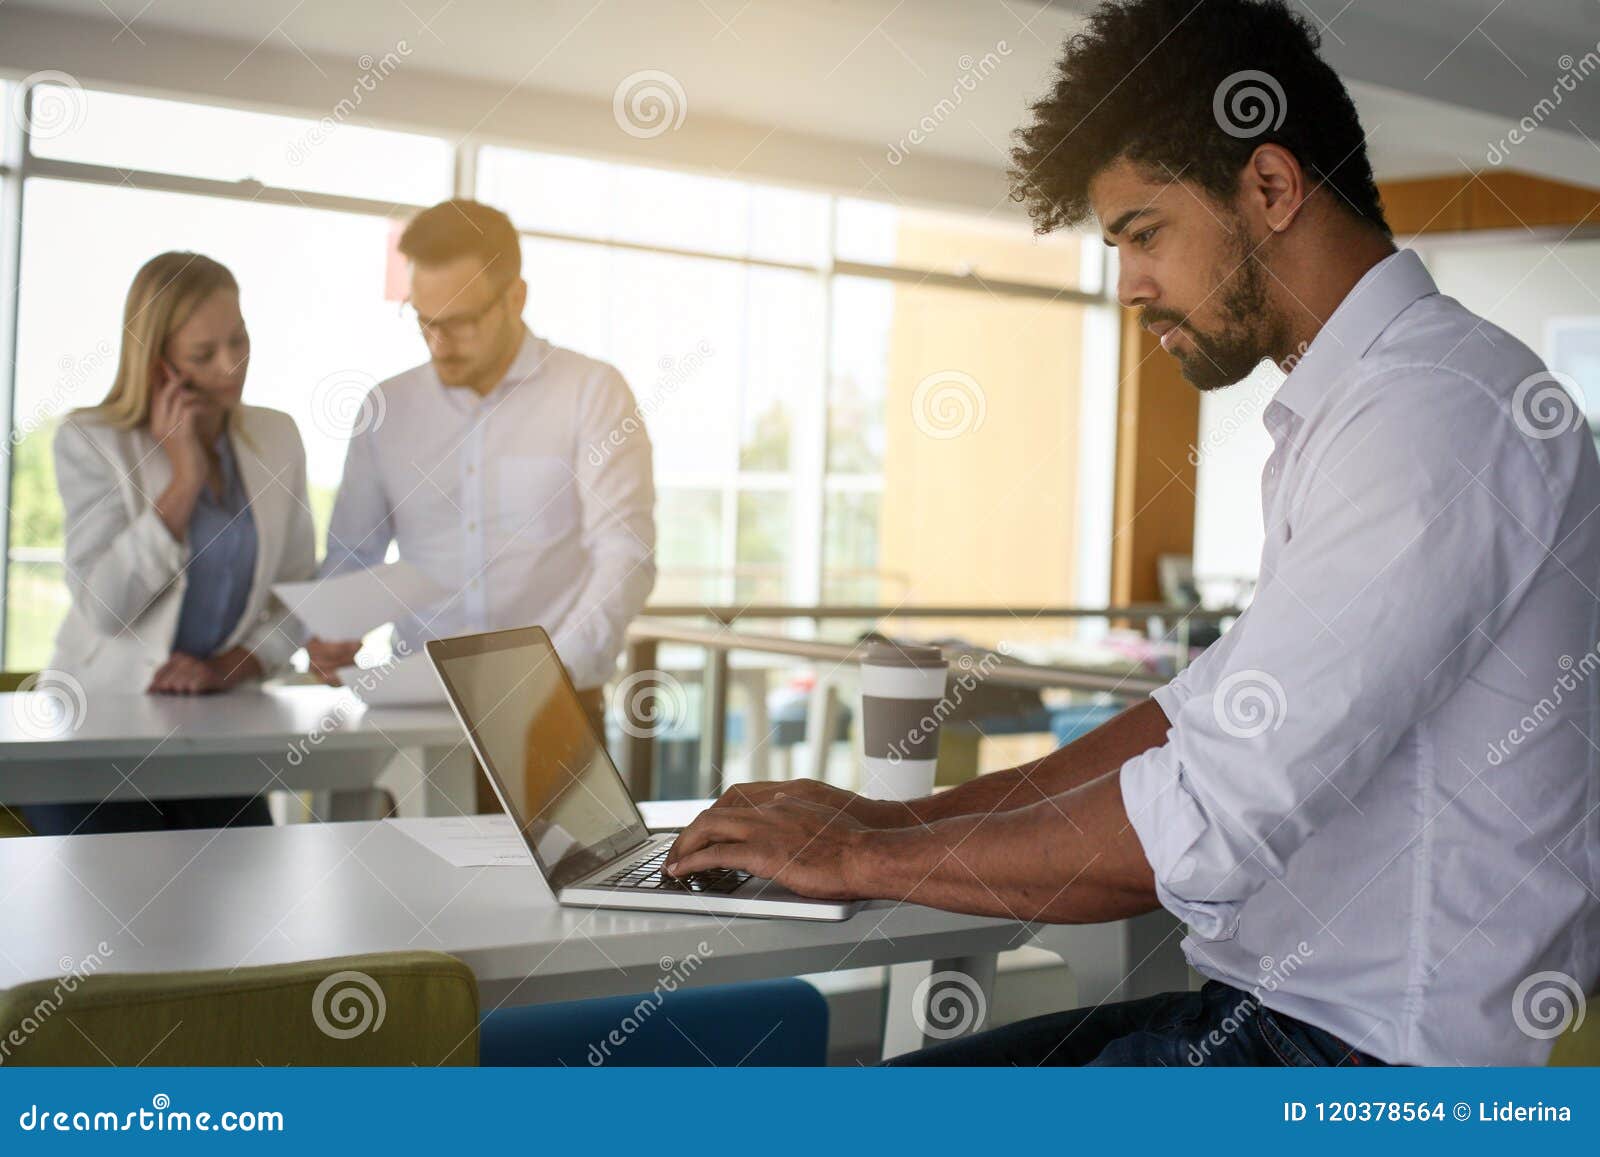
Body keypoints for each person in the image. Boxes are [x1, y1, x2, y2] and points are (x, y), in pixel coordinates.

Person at [664, 0, 1600, 1066]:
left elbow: (1201, 816)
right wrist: (885, 827)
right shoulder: (1363, 412)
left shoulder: (1435, 415)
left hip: (1380, 1068)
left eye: (1143, 234)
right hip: (1282, 1023)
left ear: (1271, 186)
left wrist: (852, 861)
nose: (1131, 287)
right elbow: (1184, 720)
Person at [309, 200, 655, 739]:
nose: (441, 344)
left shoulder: (591, 392)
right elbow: (353, 554)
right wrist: (334, 627)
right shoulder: (387, 410)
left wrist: (548, 677)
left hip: (557, 707)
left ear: (515, 298)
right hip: (414, 712)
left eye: (462, 322)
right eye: (425, 321)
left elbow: (625, 553)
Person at [32, 251, 315, 835]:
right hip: (94, 729)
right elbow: (104, 608)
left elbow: (298, 596)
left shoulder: (277, 435)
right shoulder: (93, 441)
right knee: (124, 907)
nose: (231, 364)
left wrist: (232, 665)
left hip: (212, 732)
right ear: (159, 363)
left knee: (246, 895)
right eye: (203, 354)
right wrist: (183, 481)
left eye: (238, 339)